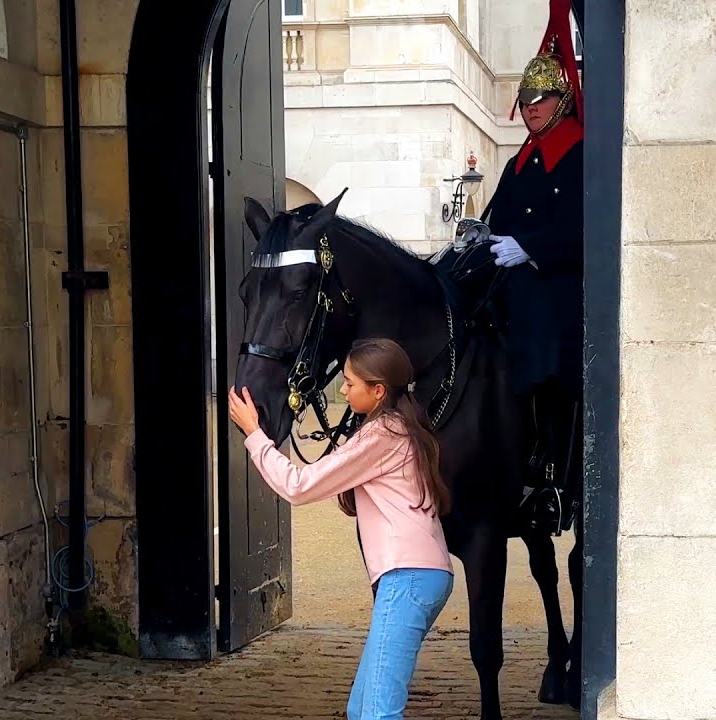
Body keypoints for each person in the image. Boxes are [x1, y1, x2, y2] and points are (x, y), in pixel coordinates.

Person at [227, 338, 455, 720]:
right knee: (361, 709)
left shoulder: (383, 435)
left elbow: (298, 487)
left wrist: (255, 435)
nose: (344, 390)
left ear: (378, 390)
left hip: (408, 578)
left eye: (351, 383)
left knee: (378, 713)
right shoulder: (398, 426)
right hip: (418, 575)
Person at [480, 0, 585, 535]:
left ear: (562, 97)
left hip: (555, 289)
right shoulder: (521, 157)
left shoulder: (579, 151)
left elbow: (583, 229)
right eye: (524, 99)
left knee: (544, 351)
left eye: (539, 97)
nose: (530, 107)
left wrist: (529, 247)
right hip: (512, 287)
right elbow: (496, 212)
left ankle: (554, 475)